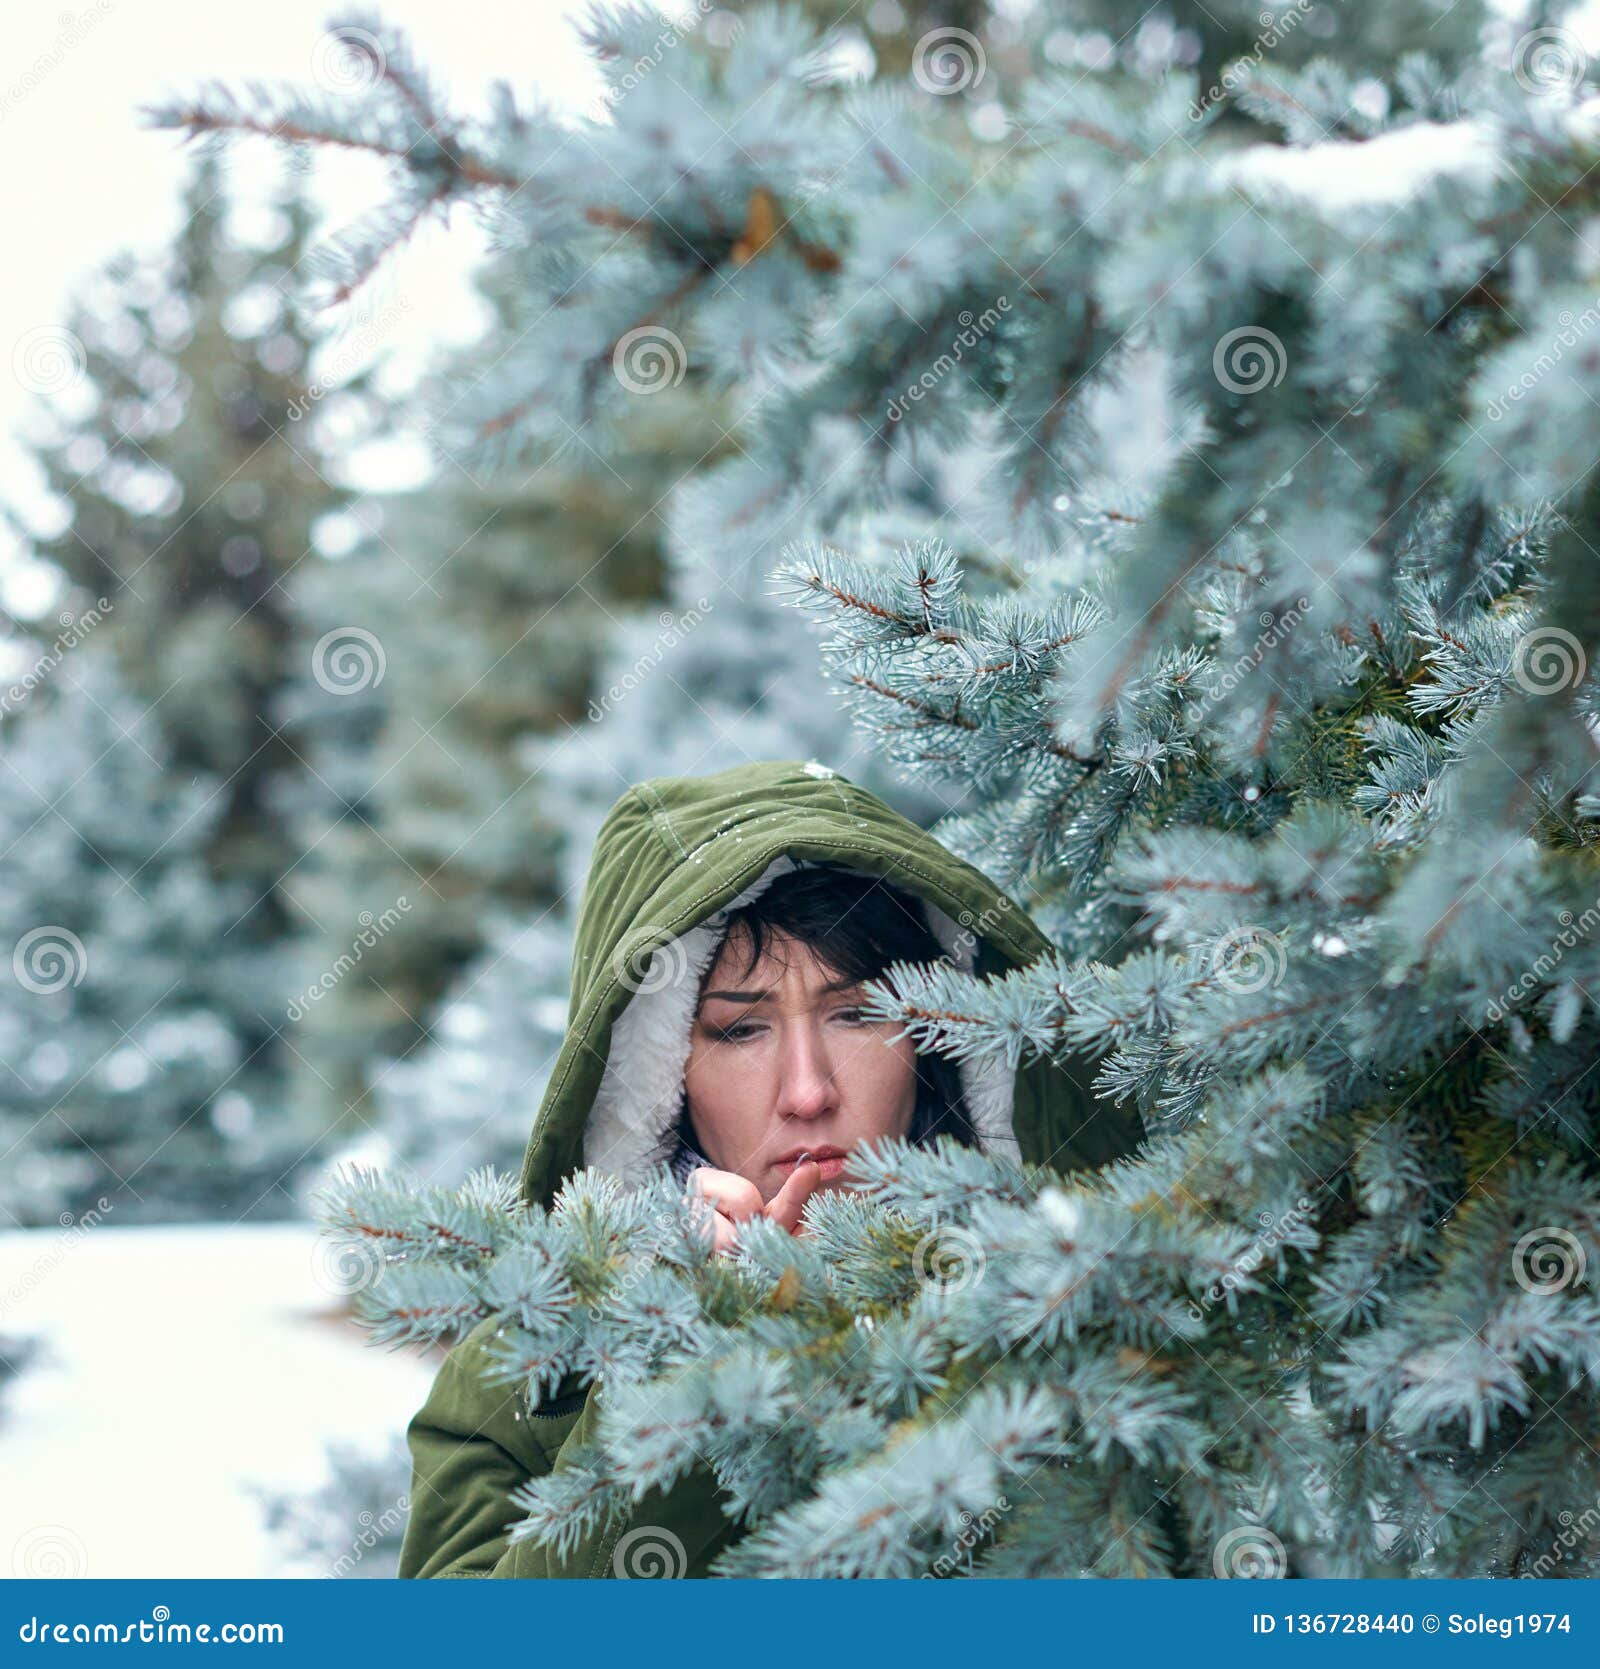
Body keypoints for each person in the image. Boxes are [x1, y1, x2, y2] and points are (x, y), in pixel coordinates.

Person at [395, 759, 1140, 1579]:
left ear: (935, 1039)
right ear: (656, 1075)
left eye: (858, 1014)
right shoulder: (526, 1377)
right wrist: (693, 1372)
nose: (808, 1091)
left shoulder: (1103, 1316)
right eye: (741, 1031)